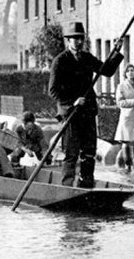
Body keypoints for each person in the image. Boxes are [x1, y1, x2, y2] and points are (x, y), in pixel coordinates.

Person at [48, 21, 123, 189]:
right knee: (71, 153)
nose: (78, 42)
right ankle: (67, 188)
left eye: (80, 38)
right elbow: (53, 91)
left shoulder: (87, 58)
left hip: (88, 112)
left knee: (89, 152)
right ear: (68, 41)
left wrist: (117, 51)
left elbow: (107, 70)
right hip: (71, 114)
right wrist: (72, 102)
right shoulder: (60, 61)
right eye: (74, 39)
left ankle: (86, 185)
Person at [114, 64, 134, 170]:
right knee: (126, 141)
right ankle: (127, 165)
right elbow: (120, 102)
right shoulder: (121, 86)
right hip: (127, 116)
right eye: (128, 71)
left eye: (133, 70)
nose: (131, 73)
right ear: (125, 73)